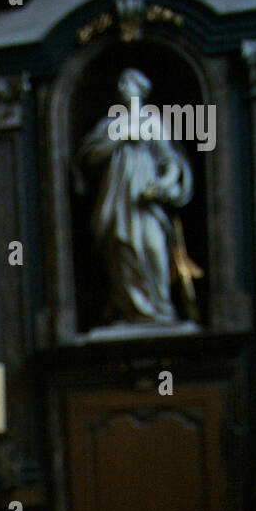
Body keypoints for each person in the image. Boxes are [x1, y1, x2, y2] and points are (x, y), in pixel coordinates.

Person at [75, 69, 194, 325]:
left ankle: (160, 308)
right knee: (121, 253)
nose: (122, 85)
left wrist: (162, 185)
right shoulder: (109, 125)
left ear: (141, 88)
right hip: (118, 202)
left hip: (145, 201)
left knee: (152, 247)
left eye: (128, 82)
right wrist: (121, 137)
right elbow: (90, 157)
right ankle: (131, 312)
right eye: (121, 82)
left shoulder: (152, 121)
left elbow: (170, 161)